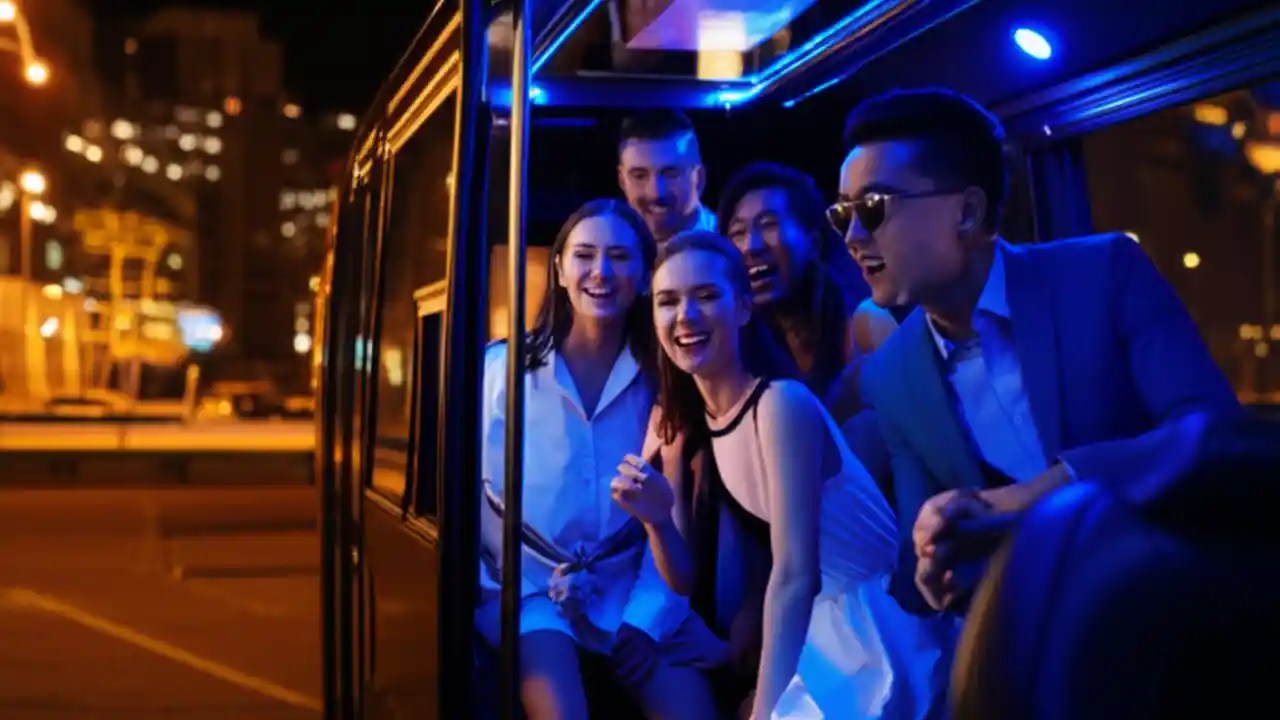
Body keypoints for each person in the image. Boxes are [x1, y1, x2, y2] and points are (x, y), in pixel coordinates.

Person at [835, 87, 1241, 619]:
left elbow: (1213, 431)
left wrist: (1043, 490)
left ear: (968, 212)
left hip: (1185, 592)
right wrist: (937, 562)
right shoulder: (891, 374)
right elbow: (923, 553)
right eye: (841, 214)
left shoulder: (1104, 273)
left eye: (872, 207)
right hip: (1048, 628)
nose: (852, 235)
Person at [613, 231, 941, 720]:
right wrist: (655, 519)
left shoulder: (780, 405)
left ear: (743, 308)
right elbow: (680, 580)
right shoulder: (692, 421)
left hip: (870, 625)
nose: (686, 315)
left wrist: (767, 708)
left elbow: (795, 574)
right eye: (668, 301)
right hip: (820, 626)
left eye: (706, 296)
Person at [476, 200, 719, 720]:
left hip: (632, 584)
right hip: (531, 591)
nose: (601, 272)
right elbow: (469, 497)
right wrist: (492, 591)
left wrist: (646, 620)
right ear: (559, 268)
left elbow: (674, 524)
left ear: (645, 276)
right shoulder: (501, 369)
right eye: (585, 255)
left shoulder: (667, 377)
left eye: (620, 257)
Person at [718, 161, 897, 424]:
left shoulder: (866, 324)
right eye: (737, 233)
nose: (751, 246)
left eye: (768, 225)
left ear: (813, 242)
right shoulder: (743, 348)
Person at [618, 109, 718, 245]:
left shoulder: (733, 248)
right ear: (622, 181)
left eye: (670, 174)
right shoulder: (609, 249)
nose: (656, 193)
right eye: (639, 176)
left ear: (699, 179)